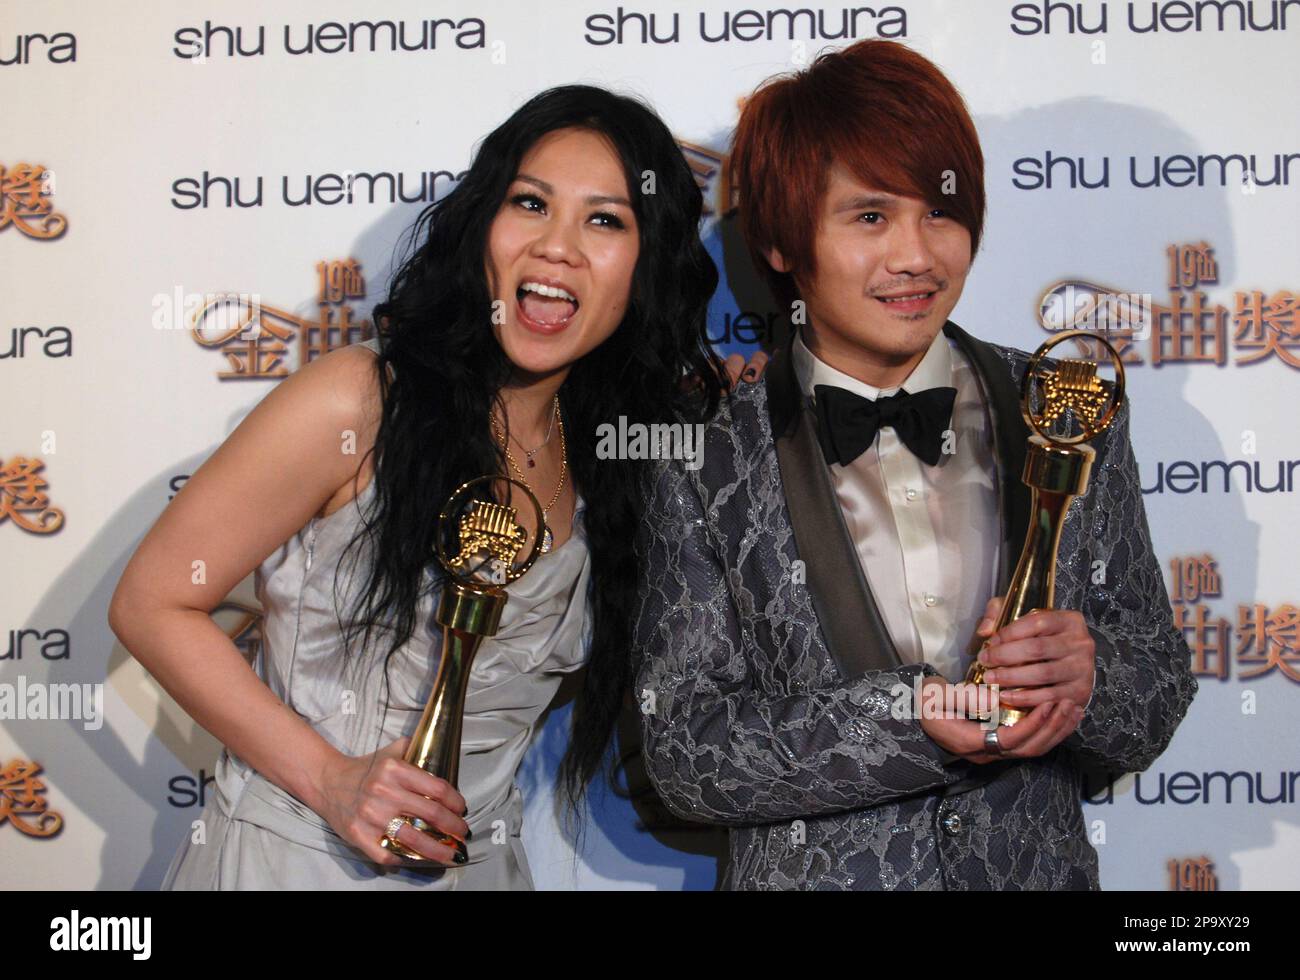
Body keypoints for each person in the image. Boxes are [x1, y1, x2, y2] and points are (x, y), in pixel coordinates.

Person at [109, 84, 760, 889]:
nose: (557, 247)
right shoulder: (359, 401)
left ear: (647, 264)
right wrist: (329, 778)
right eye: (530, 203)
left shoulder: (617, 463)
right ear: (483, 223)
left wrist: (746, 434)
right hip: (294, 864)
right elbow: (152, 601)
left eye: (605, 220)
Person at [632, 39, 1198, 890]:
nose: (917, 256)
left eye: (940, 211)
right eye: (869, 217)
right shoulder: (704, 453)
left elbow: (1153, 690)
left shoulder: (1071, 405)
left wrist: (1091, 680)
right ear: (784, 243)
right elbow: (683, 751)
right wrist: (908, 720)